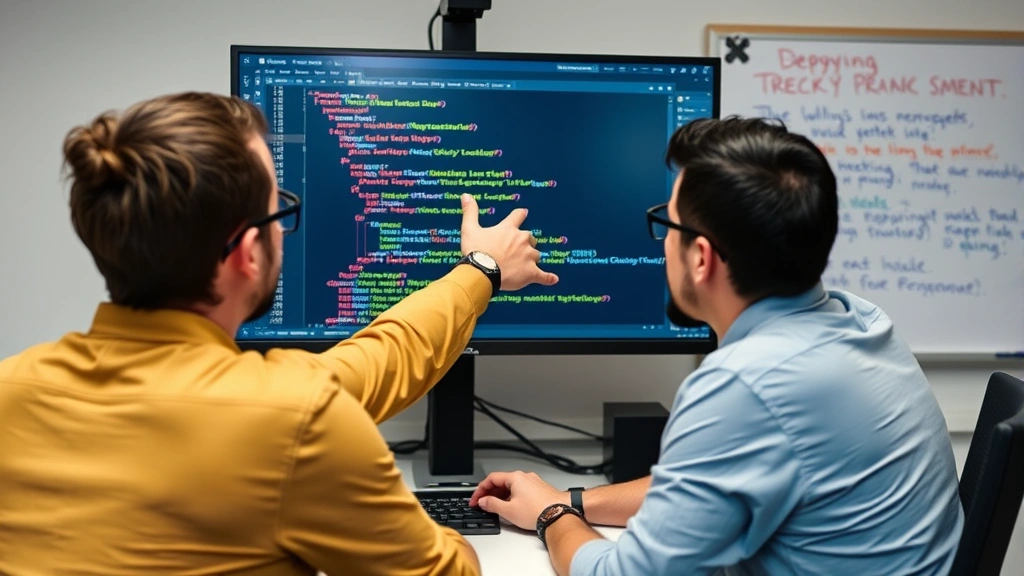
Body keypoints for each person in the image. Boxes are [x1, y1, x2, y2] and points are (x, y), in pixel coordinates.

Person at [0, 91, 558, 575]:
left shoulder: (13, 389)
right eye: (279, 213)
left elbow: (378, 360)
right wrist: (397, 511)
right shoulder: (297, 419)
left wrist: (479, 271)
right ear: (247, 253)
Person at [469, 116, 964, 576]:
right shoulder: (863, 322)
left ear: (701, 258)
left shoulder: (744, 386)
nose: (662, 244)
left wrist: (550, 516)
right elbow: (697, 490)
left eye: (669, 224)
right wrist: (575, 499)